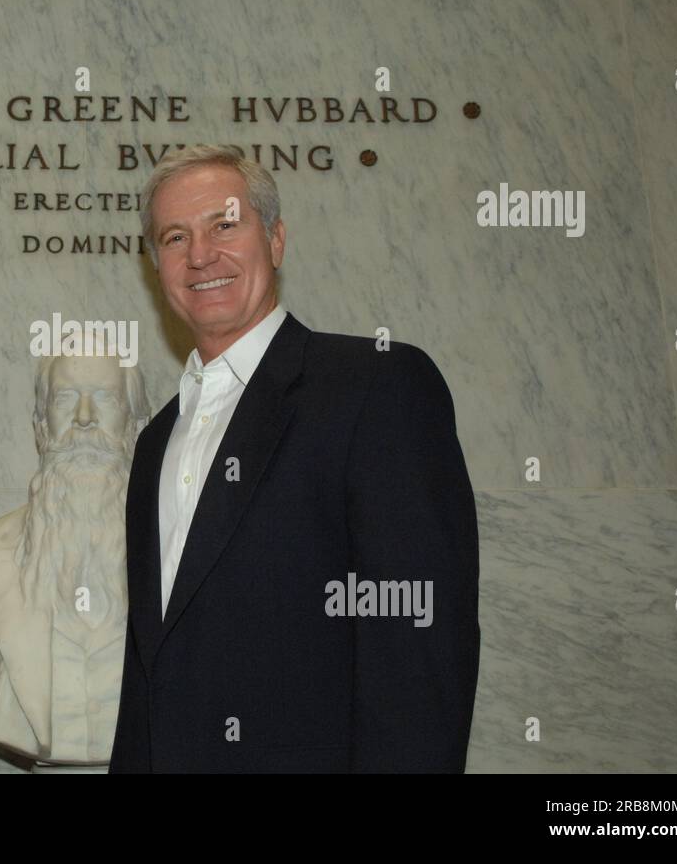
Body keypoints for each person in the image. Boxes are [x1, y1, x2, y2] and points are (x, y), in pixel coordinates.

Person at [110, 145, 479, 773]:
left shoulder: (375, 385)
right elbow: (151, 667)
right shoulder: (154, 443)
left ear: (276, 240)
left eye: (225, 224)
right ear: (156, 267)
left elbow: (419, 640)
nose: (201, 255)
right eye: (176, 237)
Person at [0, 354, 148, 771]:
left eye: (106, 399)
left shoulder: (179, 556)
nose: (85, 418)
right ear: (41, 427)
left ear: (134, 427)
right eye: (65, 399)